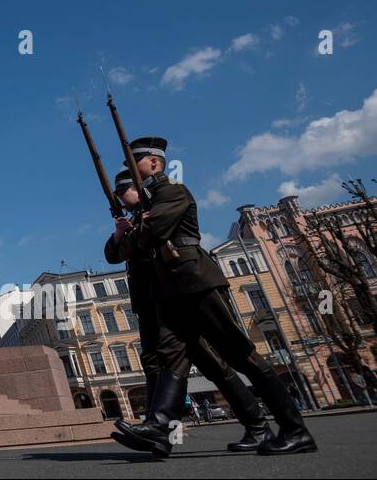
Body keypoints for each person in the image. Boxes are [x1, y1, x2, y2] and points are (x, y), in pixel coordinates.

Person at [112, 136, 316, 455]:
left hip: (196, 283)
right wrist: (135, 231)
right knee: (172, 356)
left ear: (154, 162)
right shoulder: (150, 206)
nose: (129, 172)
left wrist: (140, 231)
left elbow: (152, 234)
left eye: (133, 164)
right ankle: (159, 426)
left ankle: (294, 429)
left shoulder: (173, 192)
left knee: (239, 354)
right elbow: (126, 248)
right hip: (172, 292)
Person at [106, 169, 271, 456]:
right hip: (150, 300)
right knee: (157, 362)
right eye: (118, 194)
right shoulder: (135, 220)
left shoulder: (160, 207)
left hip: (179, 294)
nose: (121, 198)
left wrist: (133, 234)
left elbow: (146, 241)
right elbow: (114, 255)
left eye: (124, 191)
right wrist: (121, 233)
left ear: (138, 188)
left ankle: (259, 425)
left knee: (210, 361)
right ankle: (160, 434)